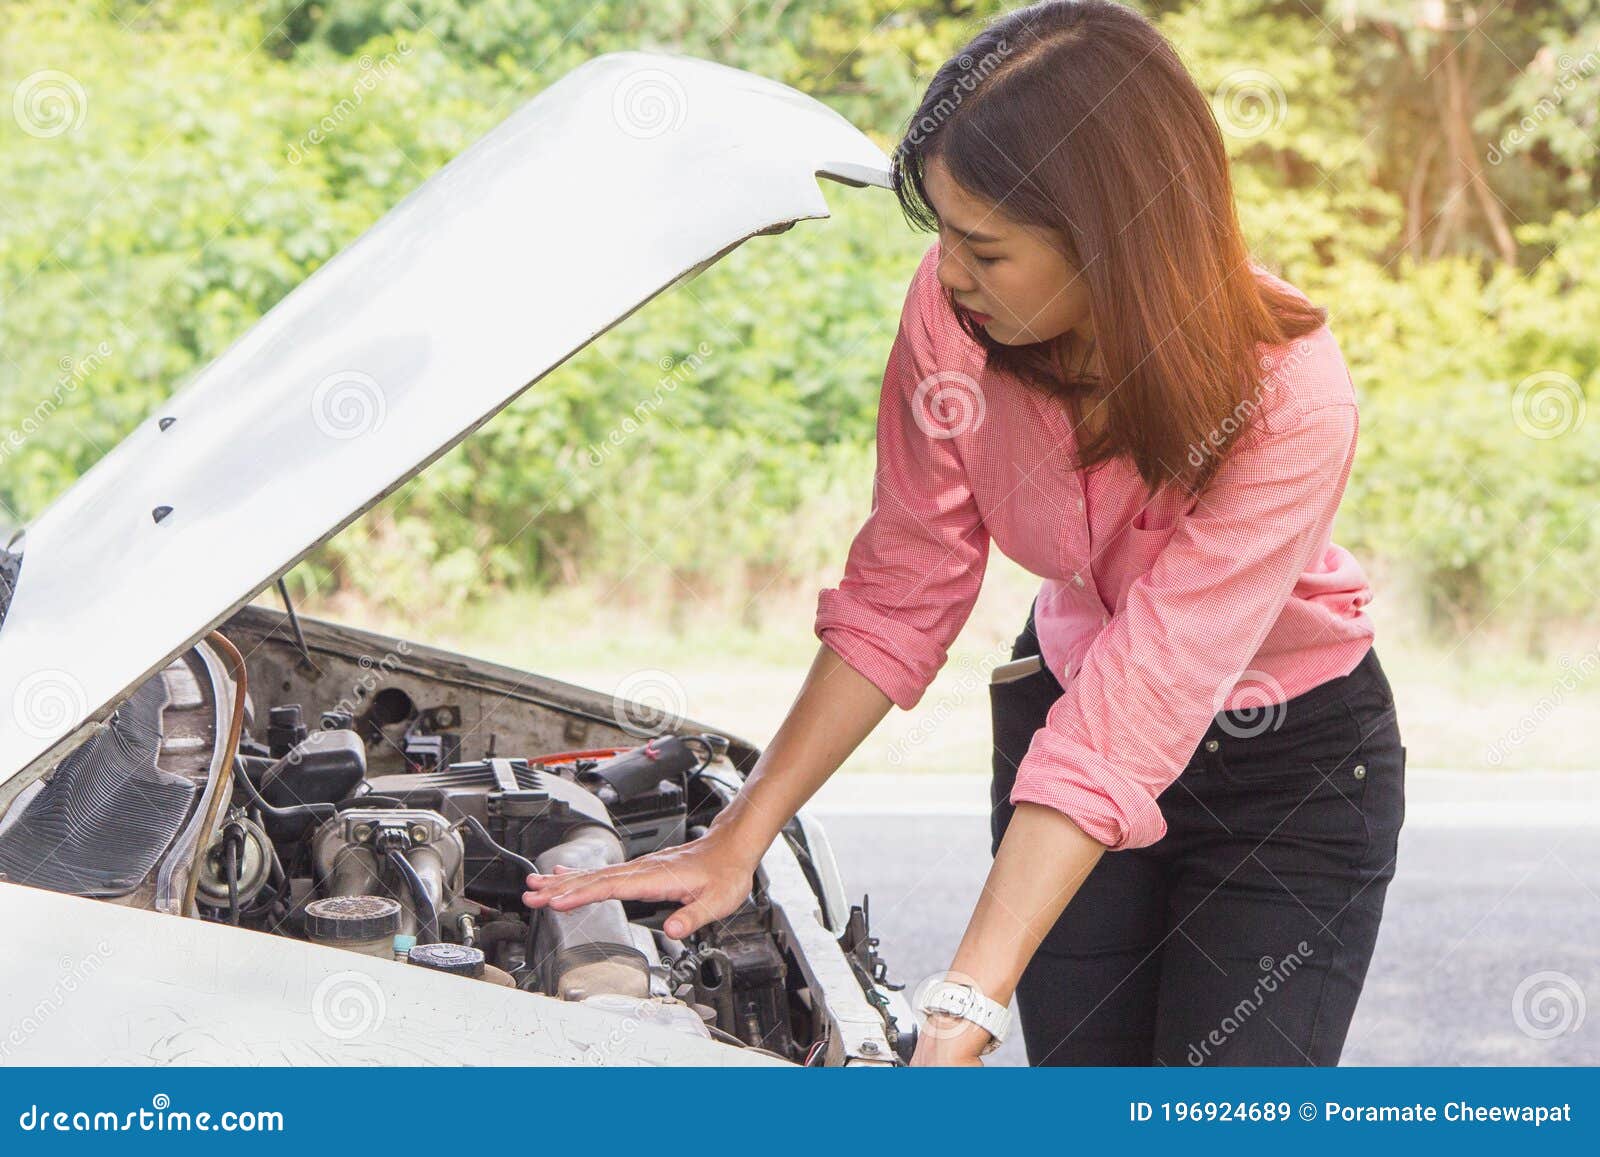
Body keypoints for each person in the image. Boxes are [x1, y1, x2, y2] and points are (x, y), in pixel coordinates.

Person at [523, 0, 1406, 1067]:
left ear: (1111, 238)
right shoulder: (956, 323)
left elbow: (1140, 708)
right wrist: (735, 837)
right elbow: (904, 587)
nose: (947, 273)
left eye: (983, 247)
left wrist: (966, 998)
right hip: (1066, 719)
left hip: (1286, 770)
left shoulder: (1290, 402)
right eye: (939, 231)